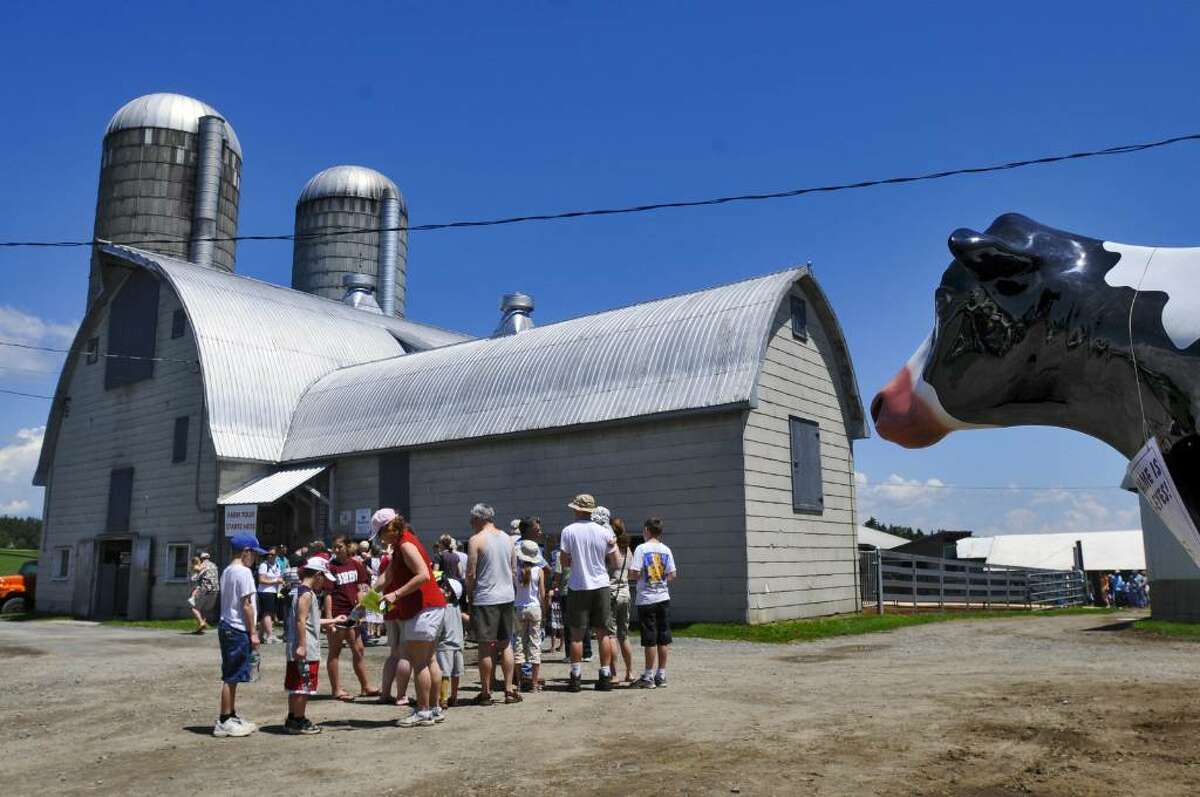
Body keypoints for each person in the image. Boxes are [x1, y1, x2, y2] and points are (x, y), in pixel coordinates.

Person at [380, 516, 448, 727]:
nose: (380, 540)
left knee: (418, 661)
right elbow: (388, 576)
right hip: (432, 606)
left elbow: (423, 575)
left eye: (381, 534)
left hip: (423, 608)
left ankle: (423, 711)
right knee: (429, 660)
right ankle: (434, 708)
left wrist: (396, 594)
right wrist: (368, 598)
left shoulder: (405, 544)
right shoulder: (403, 543)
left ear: (390, 529)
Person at [559, 493, 618, 692]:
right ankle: (605, 675)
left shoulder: (568, 531)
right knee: (603, 634)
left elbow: (565, 562)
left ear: (577, 509)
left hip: (578, 585)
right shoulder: (603, 532)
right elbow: (616, 562)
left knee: (576, 635)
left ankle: (575, 676)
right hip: (601, 584)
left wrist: (576, 561)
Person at [284, 556, 347, 735]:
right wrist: (302, 646)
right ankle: (298, 719)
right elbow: (300, 620)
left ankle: (293, 717)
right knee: (302, 686)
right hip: (305, 647)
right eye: (324, 578)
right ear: (318, 575)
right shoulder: (306, 593)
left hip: (301, 646)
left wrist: (333, 620)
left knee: (297, 685)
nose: (325, 583)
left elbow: (311, 620)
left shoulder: (301, 591)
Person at [465, 502, 519, 705]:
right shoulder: (507, 538)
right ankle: (508, 690)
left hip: (486, 597)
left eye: (472, 519)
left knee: (485, 647)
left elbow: (471, 573)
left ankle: (486, 692)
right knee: (506, 645)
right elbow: (514, 570)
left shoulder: (476, 540)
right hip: (506, 596)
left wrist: (470, 596)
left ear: (479, 519)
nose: (471, 523)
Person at [213, 533, 267, 737]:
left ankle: (231, 714)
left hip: (226, 624)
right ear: (246, 552)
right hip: (237, 628)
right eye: (254, 554)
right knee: (232, 676)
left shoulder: (227, 571)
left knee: (232, 674)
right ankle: (224, 720)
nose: (255, 558)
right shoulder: (244, 573)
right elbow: (246, 605)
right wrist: (253, 632)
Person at [326, 535, 379, 701]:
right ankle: (336, 689)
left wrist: (362, 607)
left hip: (353, 613)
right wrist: (329, 619)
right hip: (337, 613)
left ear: (348, 547)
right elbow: (327, 594)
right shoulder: (331, 567)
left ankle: (365, 686)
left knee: (359, 650)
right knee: (335, 651)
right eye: (334, 547)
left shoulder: (356, 564)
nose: (336, 550)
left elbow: (361, 588)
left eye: (339, 547)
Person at [370, 510, 413, 707]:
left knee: (393, 653)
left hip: (388, 606)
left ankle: (385, 693)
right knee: (404, 653)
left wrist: (368, 603)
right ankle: (401, 695)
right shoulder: (402, 553)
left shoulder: (386, 559)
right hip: (402, 604)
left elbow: (381, 583)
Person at [629, 517, 677, 689]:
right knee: (663, 637)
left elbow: (634, 573)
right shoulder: (666, 550)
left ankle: (648, 676)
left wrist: (641, 576)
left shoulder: (641, 549)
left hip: (646, 599)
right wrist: (660, 579)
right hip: (663, 597)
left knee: (649, 638)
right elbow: (672, 574)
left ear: (647, 530)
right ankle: (661, 674)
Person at [513, 539, 546, 692]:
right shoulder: (539, 571)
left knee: (519, 644)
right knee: (535, 644)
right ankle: (533, 683)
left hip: (519, 607)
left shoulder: (516, 571)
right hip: (534, 607)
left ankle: (519, 682)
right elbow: (542, 593)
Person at [608, 518, 635, 685]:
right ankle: (630, 672)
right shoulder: (628, 549)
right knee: (623, 635)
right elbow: (631, 572)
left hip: (611, 592)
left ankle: (613, 674)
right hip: (625, 592)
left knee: (610, 635)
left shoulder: (611, 547)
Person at [435, 577, 467, 708]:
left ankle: (449, 697)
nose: (442, 590)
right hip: (453, 644)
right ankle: (447, 698)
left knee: (449, 673)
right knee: (450, 673)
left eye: (447, 589)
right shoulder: (455, 606)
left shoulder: (444, 607)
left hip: (448, 645)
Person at [257, 547, 283, 643]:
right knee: (267, 614)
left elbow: (279, 577)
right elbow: (261, 580)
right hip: (265, 592)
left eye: (272, 554)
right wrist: (275, 581)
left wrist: (281, 582)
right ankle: (270, 636)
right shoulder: (264, 565)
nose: (270, 556)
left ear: (276, 555)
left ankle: (259, 636)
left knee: (266, 613)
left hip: (274, 592)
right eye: (268, 554)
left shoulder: (277, 565)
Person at [189, 552, 219, 634]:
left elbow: (195, 577)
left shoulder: (203, 565)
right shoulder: (214, 565)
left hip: (205, 589)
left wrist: (194, 566)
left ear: (202, 558)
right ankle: (200, 627)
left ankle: (201, 623)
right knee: (204, 610)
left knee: (194, 607)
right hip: (215, 590)